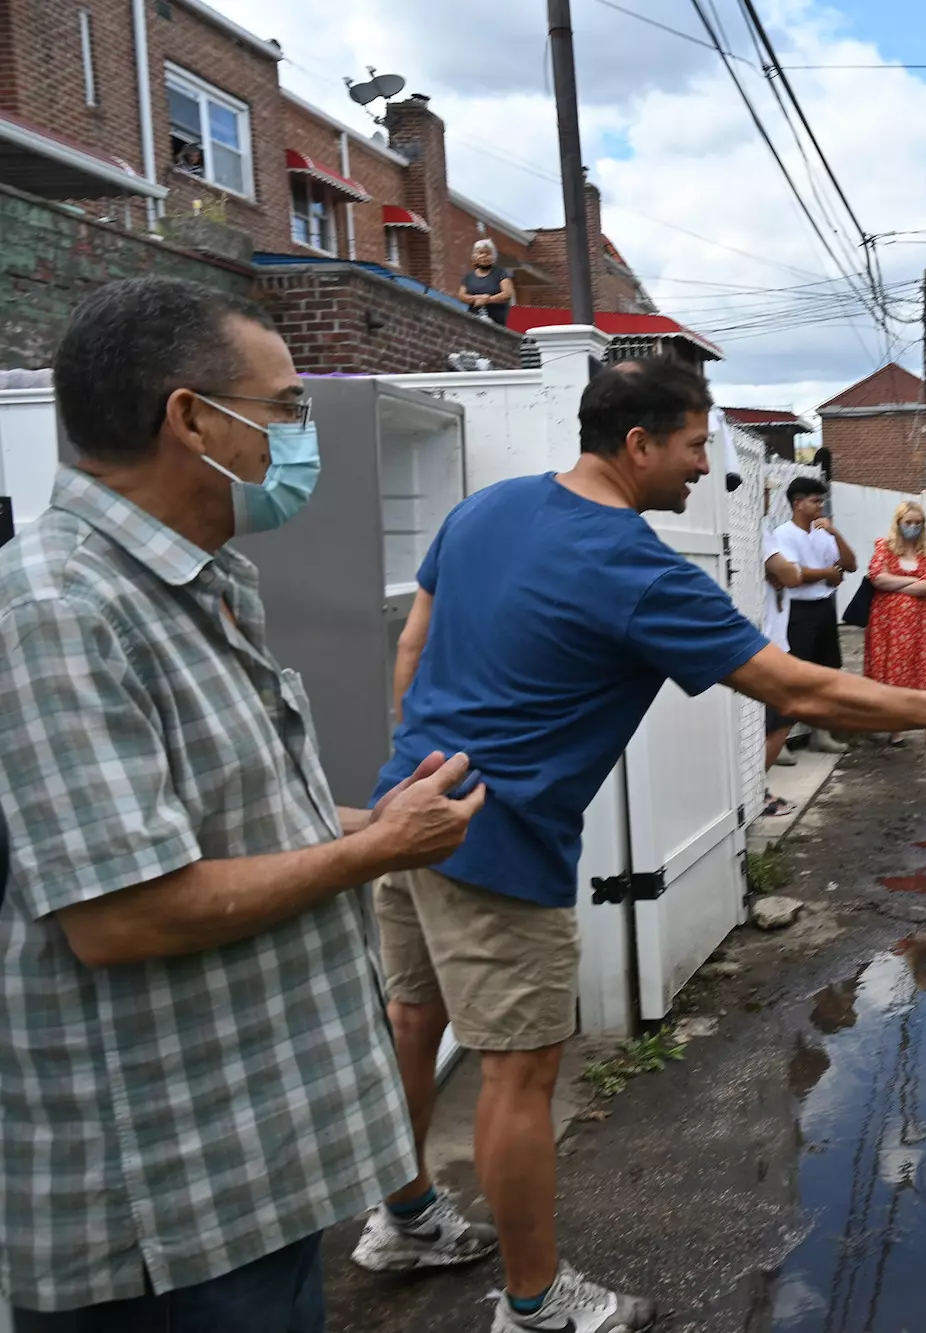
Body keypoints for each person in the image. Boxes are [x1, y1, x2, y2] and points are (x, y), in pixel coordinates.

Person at [374, 358, 926, 1333]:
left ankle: (405, 1215)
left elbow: (413, 644)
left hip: (406, 812)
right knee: (516, 1072)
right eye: (692, 445)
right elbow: (795, 689)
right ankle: (537, 1306)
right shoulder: (630, 564)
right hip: (498, 844)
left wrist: (408, 769)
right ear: (636, 444)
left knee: (413, 1019)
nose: (700, 466)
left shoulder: (484, 509)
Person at [0, 278, 486, 1331]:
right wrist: (376, 850)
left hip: (251, 1177)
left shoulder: (198, 582)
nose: (297, 437)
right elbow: (126, 912)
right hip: (163, 1218)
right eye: (284, 408)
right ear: (191, 419)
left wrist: (385, 823)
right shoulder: (58, 608)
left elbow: (228, 826)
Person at [771, 475, 858, 755]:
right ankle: (778, 740)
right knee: (794, 676)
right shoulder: (783, 534)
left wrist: (836, 534)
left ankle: (821, 733)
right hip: (798, 610)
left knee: (826, 671)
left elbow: (851, 565)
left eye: (821, 500)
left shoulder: (823, 533)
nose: (820, 505)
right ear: (798, 504)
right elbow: (793, 574)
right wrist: (828, 574)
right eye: (814, 500)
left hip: (823, 607)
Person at [865, 501, 926, 748]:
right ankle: (897, 727)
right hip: (888, 623)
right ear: (898, 523)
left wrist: (896, 582)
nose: (913, 527)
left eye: (917, 523)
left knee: (924, 671)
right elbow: (877, 578)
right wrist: (913, 583)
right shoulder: (885, 547)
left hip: (920, 623)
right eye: (908, 522)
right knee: (894, 672)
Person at [760, 527, 804, 812]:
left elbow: (792, 573)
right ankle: (756, 792)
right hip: (765, 646)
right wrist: (786, 570)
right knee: (781, 717)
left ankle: (757, 789)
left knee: (778, 719)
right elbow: (793, 575)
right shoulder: (758, 530)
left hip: (775, 644)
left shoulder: (764, 530)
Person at [457, 240, 515, 326]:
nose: (484, 256)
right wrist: (477, 298)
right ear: (474, 256)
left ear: (493, 257)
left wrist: (488, 300)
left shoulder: (501, 273)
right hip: (473, 321)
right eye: (480, 253)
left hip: (497, 322)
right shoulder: (469, 277)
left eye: (488, 253)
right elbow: (461, 296)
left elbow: (507, 294)